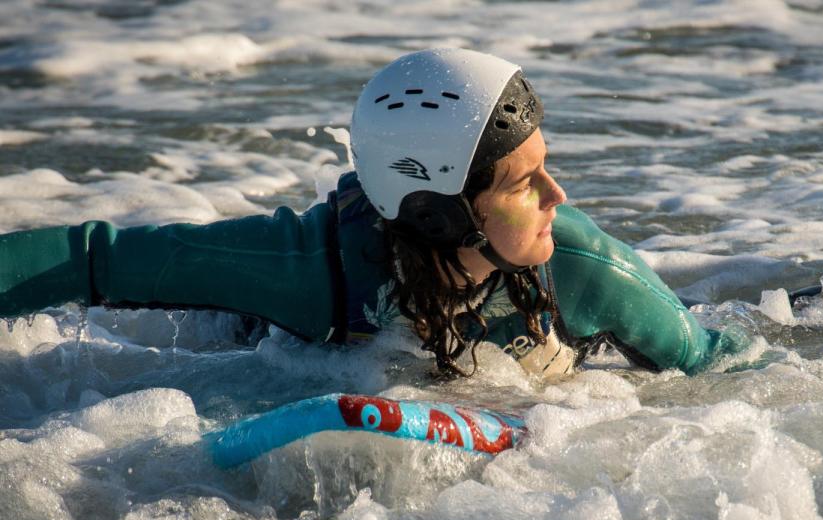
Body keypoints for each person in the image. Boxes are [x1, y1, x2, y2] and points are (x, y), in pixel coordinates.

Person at [0, 48, 745, 379]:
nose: (560, 198)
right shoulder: (307, 266)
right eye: (524, 185)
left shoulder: (583, 269)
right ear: (437, 212)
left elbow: (720, 364)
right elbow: (96, 260)